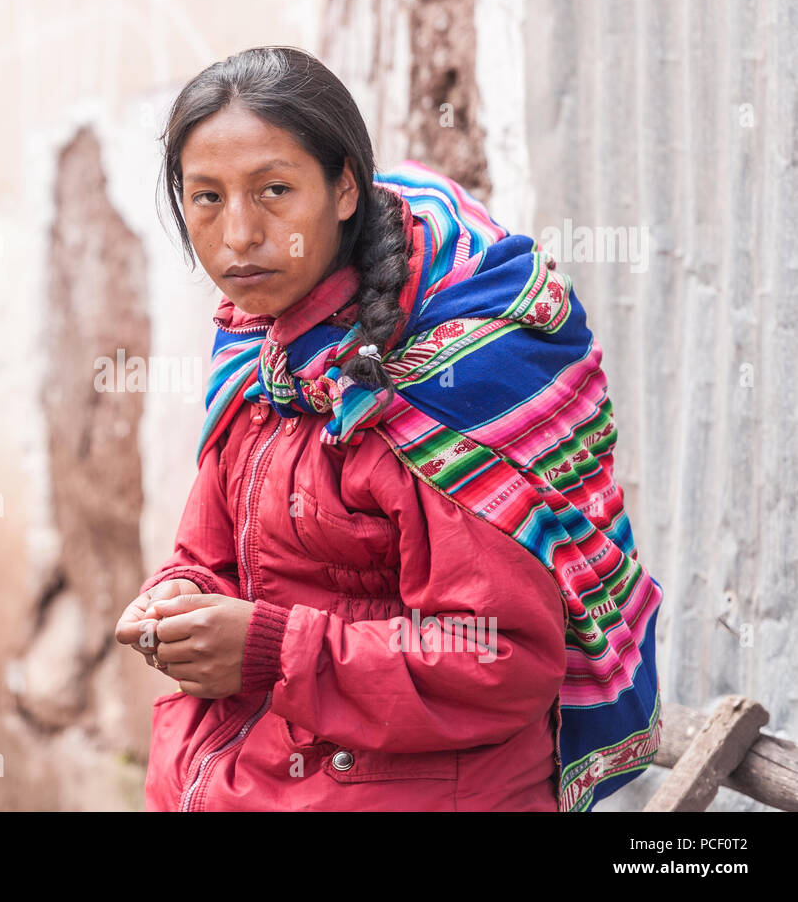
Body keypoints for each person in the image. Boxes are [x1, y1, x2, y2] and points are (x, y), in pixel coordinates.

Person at [113, 46, 662, 812]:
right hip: (255, 770)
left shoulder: (446, 389)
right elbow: (210, 550)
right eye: (206, 198)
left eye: (274, 190)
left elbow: (505, 655)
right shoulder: (260, 346)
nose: (238, 234)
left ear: (344, 188)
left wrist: (269, 650)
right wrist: (179, 599)